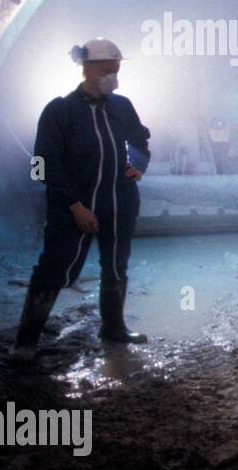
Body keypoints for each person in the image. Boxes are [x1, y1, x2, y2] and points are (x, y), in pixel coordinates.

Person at [9, 38, 152, 364]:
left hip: (118, 201)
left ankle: (113, 327)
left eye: (116, 71)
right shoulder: (60, 110)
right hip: (71, 206)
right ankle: (26, 340)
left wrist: (139, 164)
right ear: (86, 68)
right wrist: (74, 205)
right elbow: (41, 164)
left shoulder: (122, 106)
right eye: (105, 71)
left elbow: (141, 138)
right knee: (54, 267)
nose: (112, 77)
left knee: (116, 264)